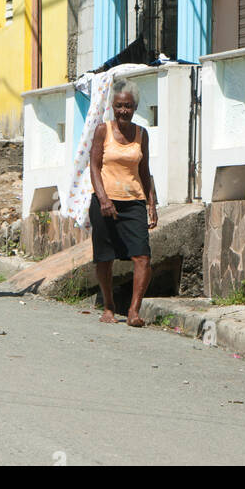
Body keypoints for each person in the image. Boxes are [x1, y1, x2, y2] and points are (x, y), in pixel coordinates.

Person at [88, 80, 157, 326]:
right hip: (105, 202)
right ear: (113, 107)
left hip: (133, 202)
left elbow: (145, 169)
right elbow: (94, 167)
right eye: (119, 106)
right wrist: (103, 199)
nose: (123, 111)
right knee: (105, 257)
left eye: (128, 106)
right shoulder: (102, 131)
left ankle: (133, 311)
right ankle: (108, 306)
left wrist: (152, 203)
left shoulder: (141, 134)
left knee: (142, 257)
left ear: (135, 107)